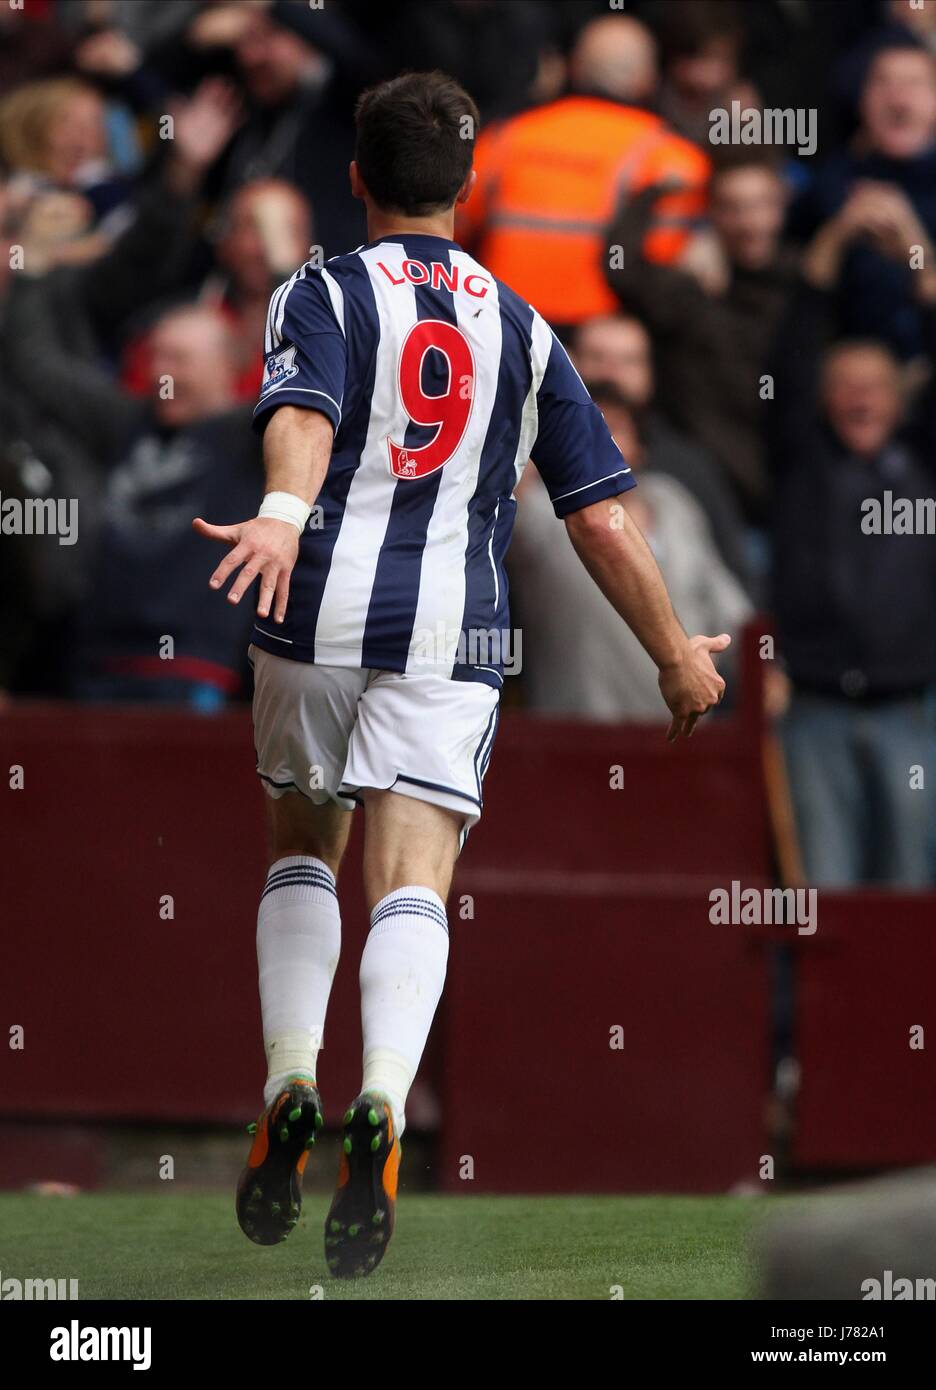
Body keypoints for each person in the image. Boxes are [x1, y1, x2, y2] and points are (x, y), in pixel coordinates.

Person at [194, 70, 728, 1279]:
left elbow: (307, 414)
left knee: (300, 844)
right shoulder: (529, 328)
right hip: (455, 636)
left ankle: (290, 1078)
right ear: (468, 188)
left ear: (356, 178)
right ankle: (381, 1098)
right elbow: (599, 517)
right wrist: (674, 652)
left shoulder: (319, 290)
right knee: (416, 878)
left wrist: (282, 511)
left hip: (313, 609)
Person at [768, 208, 936, 887]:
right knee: (824, 889)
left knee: (910, 888)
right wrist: (832, 239)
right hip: (813, 709)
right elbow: (792, 354)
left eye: (875, 388)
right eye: (845, 387)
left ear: (901, 399)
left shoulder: (925, 465)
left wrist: (919, 255)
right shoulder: (802, 460)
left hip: (910, 710)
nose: (860, 398)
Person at [455, 14, 710, 330]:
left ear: (573, 67)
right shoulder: (676, 159)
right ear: (648, 78)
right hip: (606, 344)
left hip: (502, 325)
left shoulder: (504, 138)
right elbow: (664, 270)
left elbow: (451, 229)